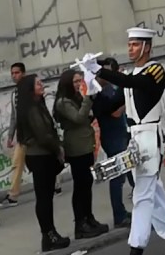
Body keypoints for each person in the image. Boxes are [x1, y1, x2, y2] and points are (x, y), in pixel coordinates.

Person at [89, 29, 165, 255]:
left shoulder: (154, 70)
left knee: (142, 196)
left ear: (147, 47)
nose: (130, 49)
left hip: (149, 137)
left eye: (135, 44)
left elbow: (133, 82)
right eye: (130, 44)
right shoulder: (133, 74)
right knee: (154, 192)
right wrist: (91, 88)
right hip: (134, 137)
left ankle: (136, 250)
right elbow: (112, 104)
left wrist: (101, 70)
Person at [15, 74, 69, 252]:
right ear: (30, 88)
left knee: (46, 197)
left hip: (43, 155)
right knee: (44, 198)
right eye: (38, 83)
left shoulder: (38, 105)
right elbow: (43, 134)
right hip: (39, 156)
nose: (42, 85)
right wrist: (58, 148)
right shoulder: (31, 110)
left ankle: (50, 233)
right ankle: (48, 235)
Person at [53, 71, 109, 240]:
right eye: (75, 81)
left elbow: (88, 115)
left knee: (87, 183)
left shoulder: (77, 98)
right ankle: (80, 224)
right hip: (76, 147)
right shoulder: (63, 102)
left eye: (80, 80)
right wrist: (87, 98)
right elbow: (78, 118)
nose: (79, 84)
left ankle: (89, 217)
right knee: (80, 185)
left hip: (86, 144)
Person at [92, 57, 133, 228]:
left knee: (123, 173)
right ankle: (119, 214)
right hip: (113, 137)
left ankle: (121, 211)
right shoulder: (102, 91)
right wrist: (126, 100)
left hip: (118, 134)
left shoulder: (107, 88)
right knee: (117, 177)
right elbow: (115, 112)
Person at [0, 62, 27, 208]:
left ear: (23, 73)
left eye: (17, 72)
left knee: (43, 161)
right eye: (12, 73)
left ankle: (55, 184)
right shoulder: (14, 93)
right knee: (17, 163)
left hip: (34, 134)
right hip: (22, 135)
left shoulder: (31, 89)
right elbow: (14, 117)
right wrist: (10, 136)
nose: (14, 75)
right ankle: (13, 196)